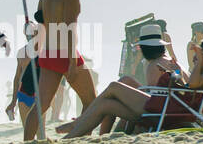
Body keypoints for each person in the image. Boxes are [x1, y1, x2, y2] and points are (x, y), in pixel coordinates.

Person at [59, 25, 196, 137]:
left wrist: (128, 103)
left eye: (139, 48)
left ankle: (78, 126)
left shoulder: (154, 65)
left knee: (114, 88)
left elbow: (155, 100)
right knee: (120, 88)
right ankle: (100, 137)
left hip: (162, 114)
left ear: (145, 48)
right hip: (172, 108)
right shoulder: (171, 63)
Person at [23, 0, 98, 141]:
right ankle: (79, 138)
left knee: (41, 105)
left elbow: (40, 19)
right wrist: (72, 61)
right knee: (91, 100)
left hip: (48, 51)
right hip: (66, 52)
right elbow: (69, 27)